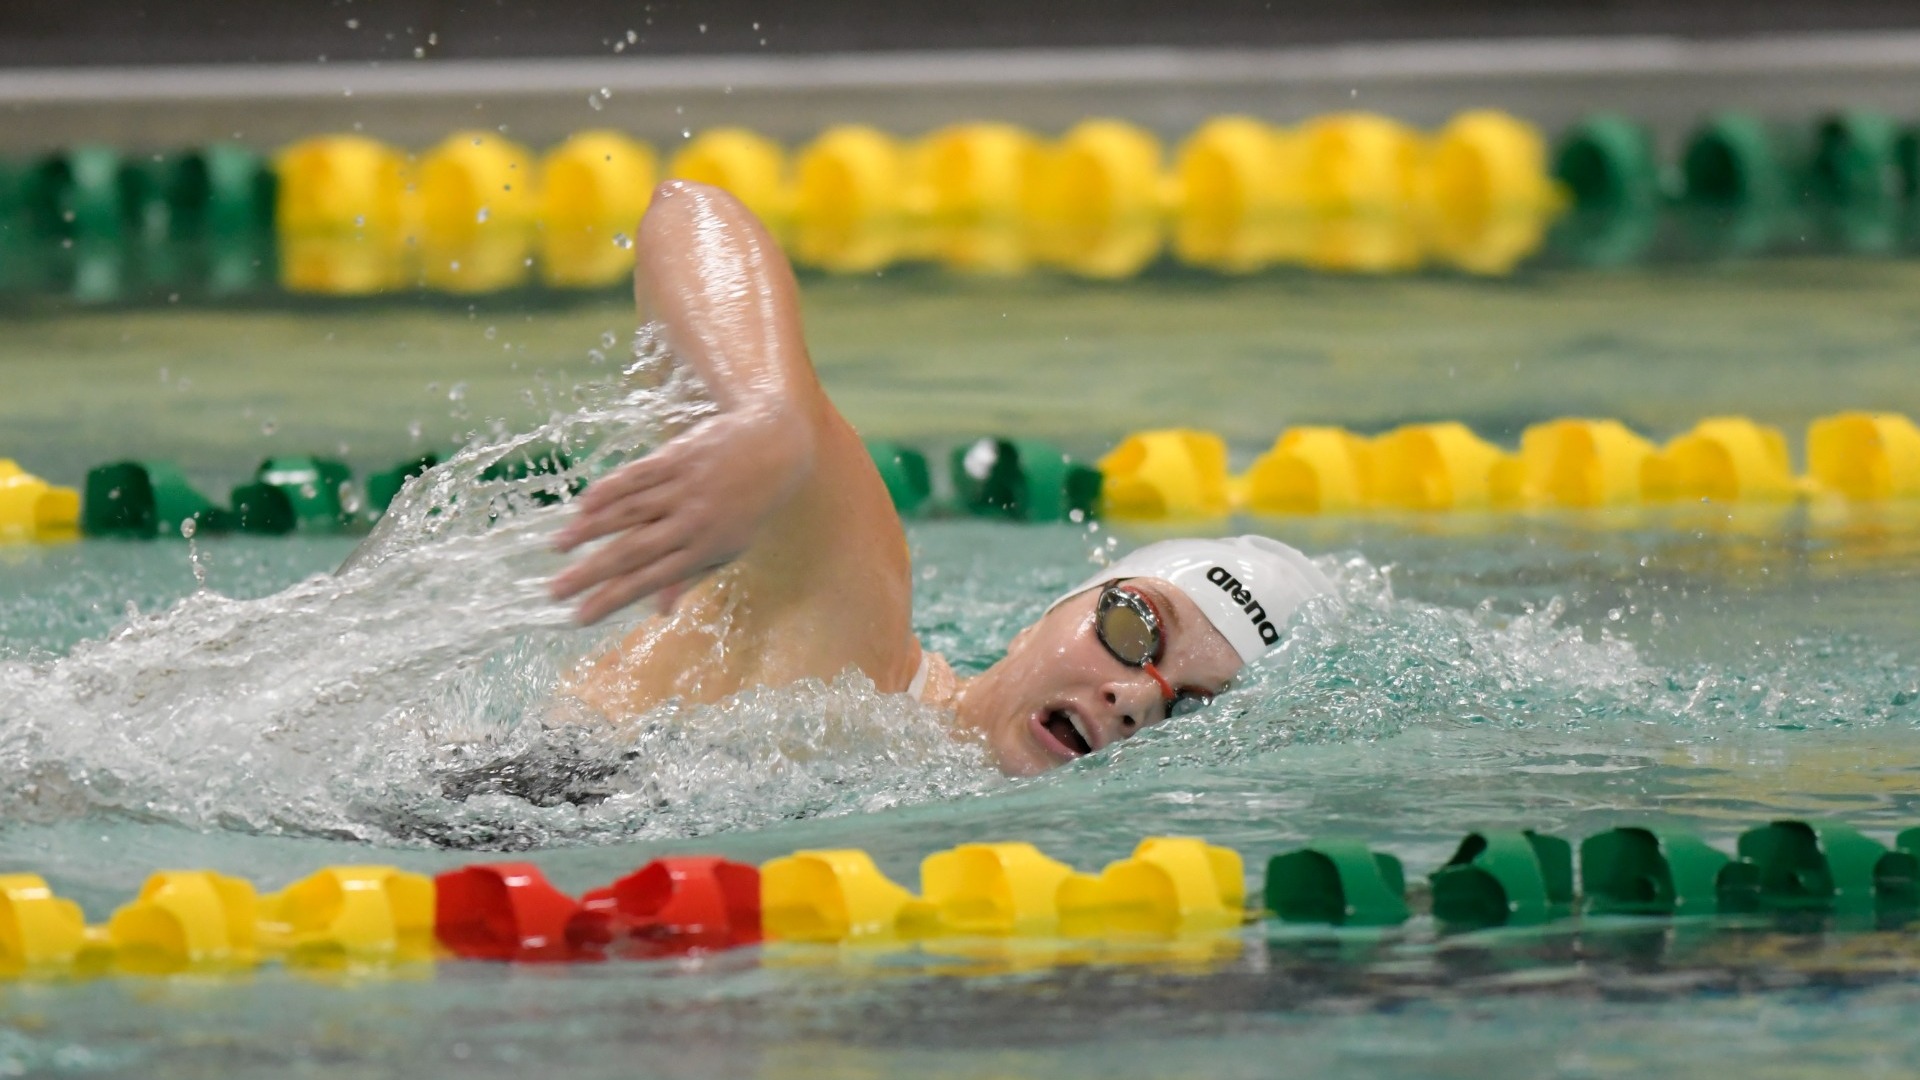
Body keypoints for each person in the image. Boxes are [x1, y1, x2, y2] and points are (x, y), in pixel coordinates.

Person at [549, 180, 1333, 778]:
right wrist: (768, 414)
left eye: (1188, 710)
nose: (1134, 701)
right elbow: (692, 214)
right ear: (1039, 621)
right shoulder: (852, 634)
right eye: (1136, 630)